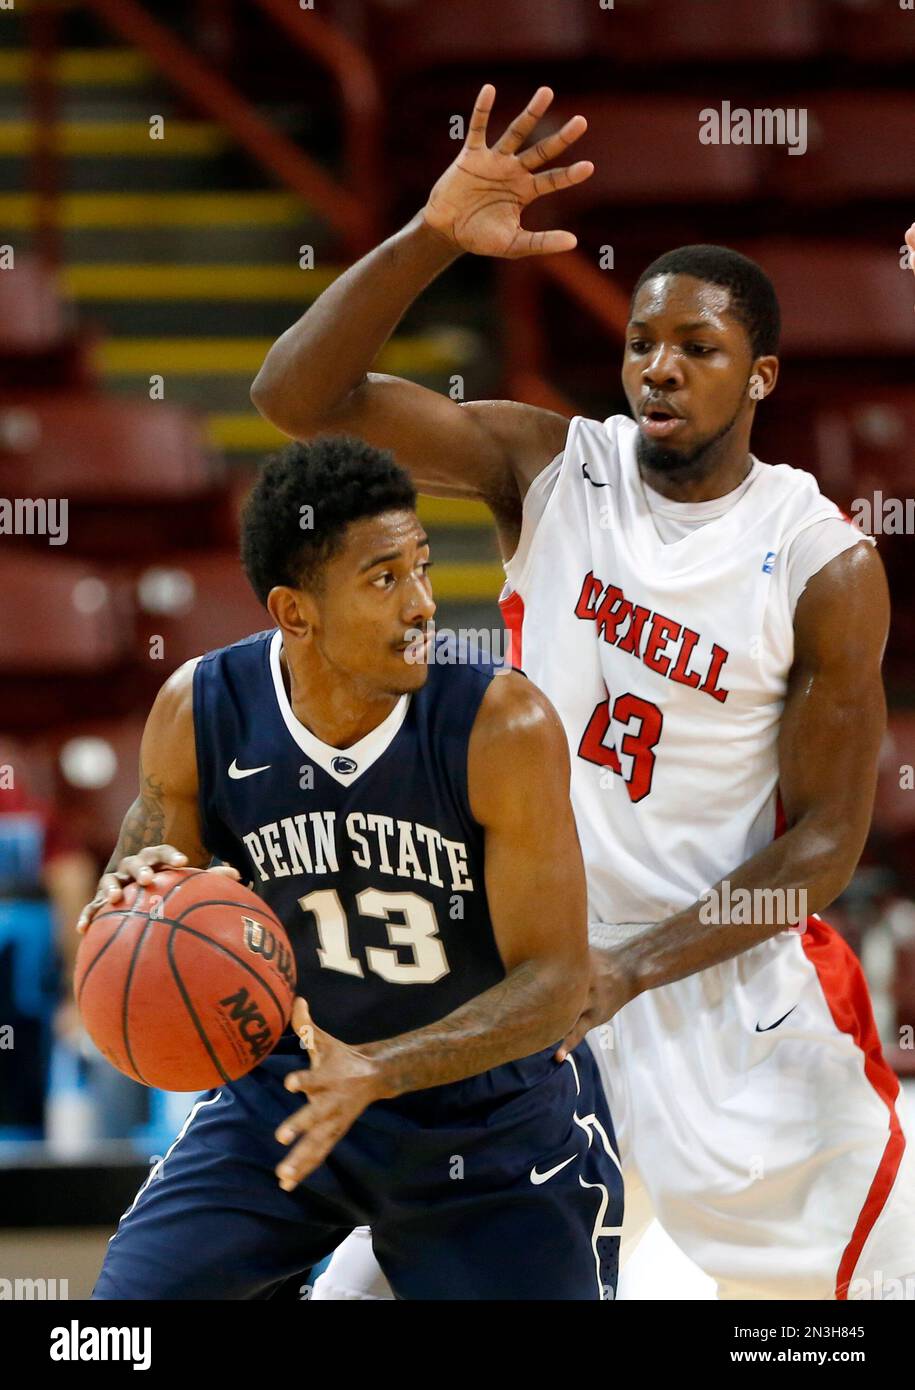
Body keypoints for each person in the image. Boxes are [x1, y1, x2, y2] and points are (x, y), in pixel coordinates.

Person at [251, 84, 915, 1300]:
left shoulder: (821, 561)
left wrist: (637, 968)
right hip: (522, 983)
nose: (659, 369)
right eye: (641, 344)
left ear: (760, 376)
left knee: (849, 1306)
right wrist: (433, 235)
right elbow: (295, 402)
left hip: (723, 1003)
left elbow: (825, 841)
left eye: (698, 350)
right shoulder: (553, 466)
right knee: (364, 1293)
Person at [85, 436, 624, 1301]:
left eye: (420, 566)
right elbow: (142, 880)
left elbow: (558, 982)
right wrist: (127, 898)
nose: (423, 604)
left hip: (484, 1119)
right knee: (124, 1327)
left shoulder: (500, 725)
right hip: (289, 1094)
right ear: (295, 613)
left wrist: (377, 1070)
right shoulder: (201, 710)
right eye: (384, 579)